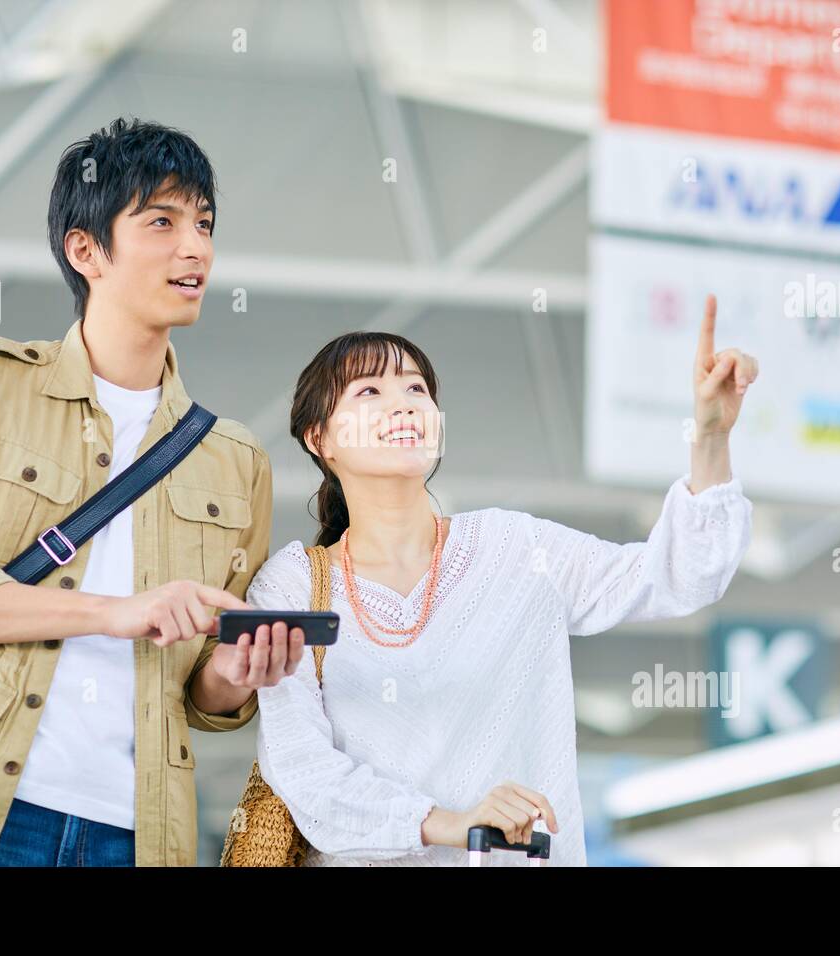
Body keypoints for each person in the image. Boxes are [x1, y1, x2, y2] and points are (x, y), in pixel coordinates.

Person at [0, 117, 305, 867]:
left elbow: (203, 696)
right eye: (161, 222)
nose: (194, 247)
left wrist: (238, 672)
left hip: (138, 835)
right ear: (85, 249)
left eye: (203, 224)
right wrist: (117, 613)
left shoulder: (235, 461)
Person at [246, 295, 757, 865]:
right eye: (369, 392)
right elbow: (306, 773)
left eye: (417, 389)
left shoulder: (516, 548)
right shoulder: (291, 586)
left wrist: (709, 437)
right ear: (320, 439)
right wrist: (449, 823)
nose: (404, 405)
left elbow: (674, 577)